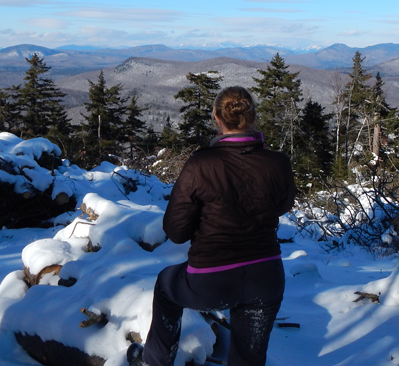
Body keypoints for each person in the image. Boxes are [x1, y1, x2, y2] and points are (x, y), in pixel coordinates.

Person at [127, 86, 296, 366]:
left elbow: (176, 231)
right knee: (248, 358)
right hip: (265, 275)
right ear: (253, 117)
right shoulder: (278, 163)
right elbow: (282, 206)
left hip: (211, 279)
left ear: (217, 118)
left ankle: (154, 361)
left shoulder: (201, 164)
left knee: (166, 287)